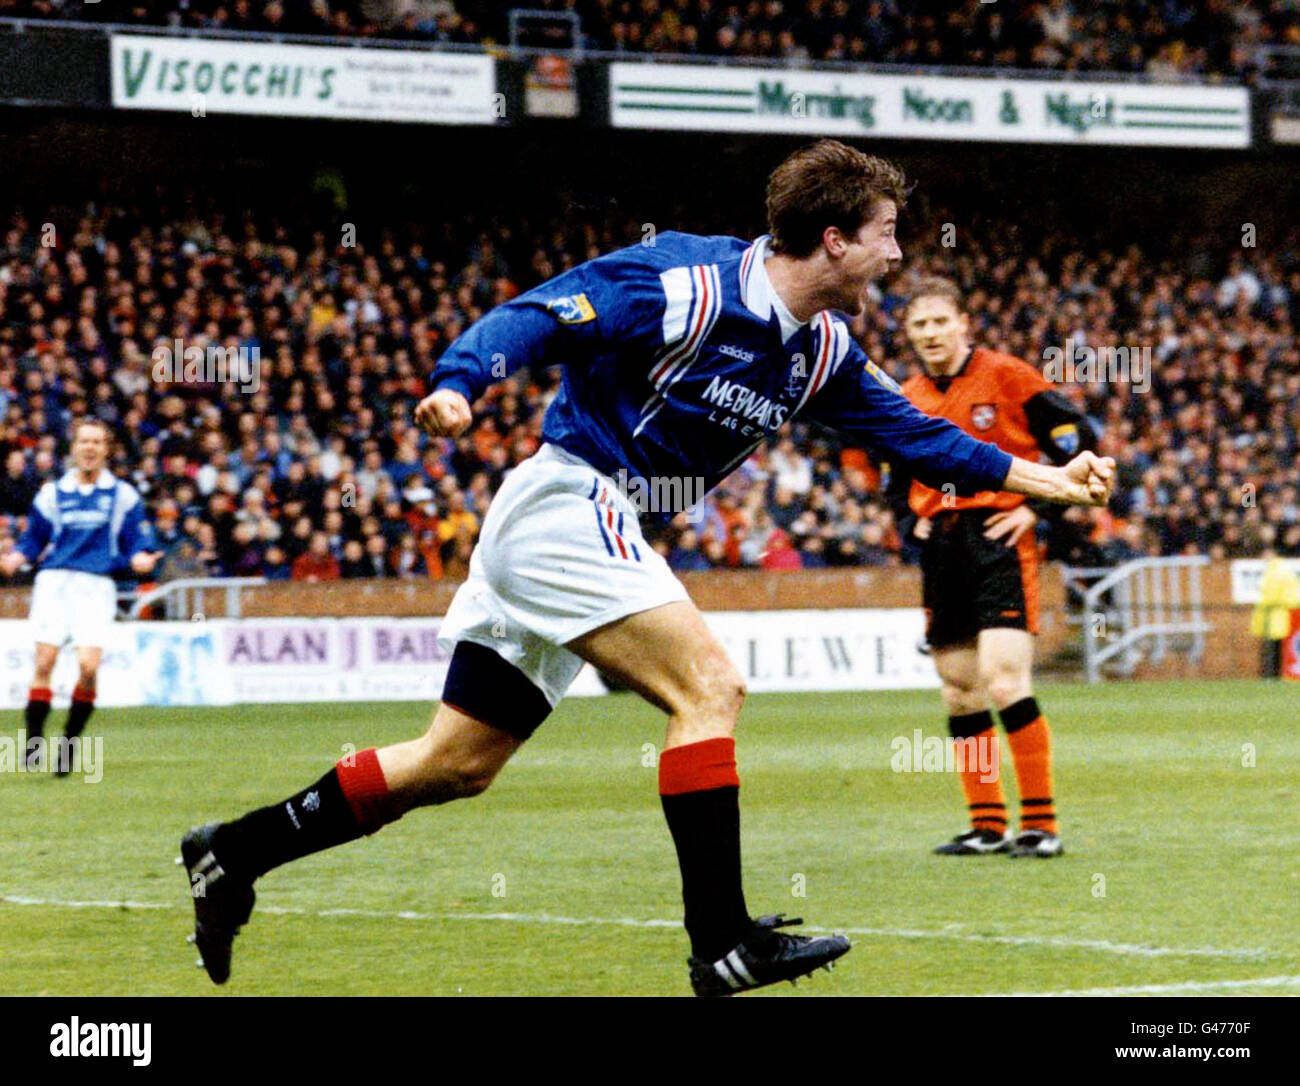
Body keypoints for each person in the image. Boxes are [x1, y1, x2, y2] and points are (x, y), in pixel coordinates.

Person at [180, 141, 1114, 995]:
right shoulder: (688, 281)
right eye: (885, 236)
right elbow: (540, 314)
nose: (897, 255)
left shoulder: (822, 347)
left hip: (586, 526)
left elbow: (918, 437)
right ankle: (721, 943)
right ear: (834, 241)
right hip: (569, 506)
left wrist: (1051, 479)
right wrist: (463, 381)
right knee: (711, 686)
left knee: (453, 764)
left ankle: (234, 850)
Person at [883, 277, 1098, 858]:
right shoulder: (905, 395)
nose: (929, 333)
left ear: (962, 324)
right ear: (909, 334)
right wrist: (911, 524)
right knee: (959, 690)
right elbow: (895, 477)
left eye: (938, 321)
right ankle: (986, 825)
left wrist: (1037, 507)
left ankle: (1041, 824)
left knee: (1004, 680)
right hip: (943, 548)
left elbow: (1079, 442)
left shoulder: (1007, 375)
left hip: (998, 538)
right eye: (918, 324)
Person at [0, 419, 160, 774]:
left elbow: (137, 539)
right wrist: (16, 558)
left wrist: (141, 557)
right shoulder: (52, 493)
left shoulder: (123, 494)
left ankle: (69, 745)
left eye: (97, 442)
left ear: (106, 450)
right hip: (55, 582)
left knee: (88, 668)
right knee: (44, 663)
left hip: (96, 585)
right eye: (84, 441)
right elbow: (33, 539)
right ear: (73, 448)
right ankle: (34, 740)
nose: (89, 448)